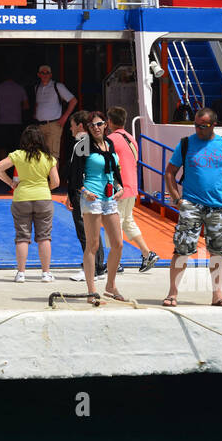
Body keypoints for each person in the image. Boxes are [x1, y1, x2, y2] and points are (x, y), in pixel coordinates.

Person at [163, 108, 222, 307]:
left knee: (218, 251)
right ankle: (172, 293)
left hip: (218, 206)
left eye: (203, 126)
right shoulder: (185, 144)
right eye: (196, 125)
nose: (199, 129)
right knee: (182, 249)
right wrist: (177, 199)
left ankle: (217, 295)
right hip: (191, 204)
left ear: (213, 125)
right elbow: (170, 172)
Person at [0, 124, 58, 282]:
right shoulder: (48, 158)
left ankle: (21, 273)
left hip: (21, 198)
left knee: (22, 237)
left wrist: (11, 183)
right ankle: (45, 273)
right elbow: (56, 182)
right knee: (44, 237)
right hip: (43, 198)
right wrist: (44, 188)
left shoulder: (18, 155)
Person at [73, 111, 126, 304]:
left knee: (118, 244)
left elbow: (115, 170)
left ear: (106, 125)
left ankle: (110, 285)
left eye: (99, 124)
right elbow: (74, 175)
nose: (96, 127)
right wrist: (83, 191)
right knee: (93, 245)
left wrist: (120, 187)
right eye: (92, 125)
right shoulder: (83, 146)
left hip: (109, 197)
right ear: (87, 128)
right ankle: (91, 291)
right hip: (92, 198)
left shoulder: (110, 144)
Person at [106, 107, 158, 273]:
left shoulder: (110, 140)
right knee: (127, 221)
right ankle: (146, 253)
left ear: (109, 122)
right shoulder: (130, 138)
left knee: (114, 224)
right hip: (132, 186)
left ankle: (116, 261)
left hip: (117, 188)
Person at [62, 111, 106, 281]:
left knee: (85, 231)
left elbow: (78, 172)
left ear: (80, 126)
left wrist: (76, 191)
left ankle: (92, 267)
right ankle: (99, 266)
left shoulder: (83, 144)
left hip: (84, 193)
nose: (70, 129)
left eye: (72, 125)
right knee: (92, 232)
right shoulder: (92, 143)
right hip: (86, 192)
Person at [34, 64, 77, 158]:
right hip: (40, 126)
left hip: (53, 125)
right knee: (41, 155)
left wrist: (64, 118)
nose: (45, 75)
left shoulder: (57, 86)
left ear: (51, 75)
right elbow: (38, 104)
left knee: (52, 156)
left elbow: (73, 101)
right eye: (42, 73)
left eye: (47, 73)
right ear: (39, 75)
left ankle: (54, 173)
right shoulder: (37, 88)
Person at [0, 73, 30, 162]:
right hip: (16, 122)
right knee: (15, 148)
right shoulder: (20, 88)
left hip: (1, 122)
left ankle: (3, 171)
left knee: (2, 148)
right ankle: (15, 172)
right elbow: (26, 106)